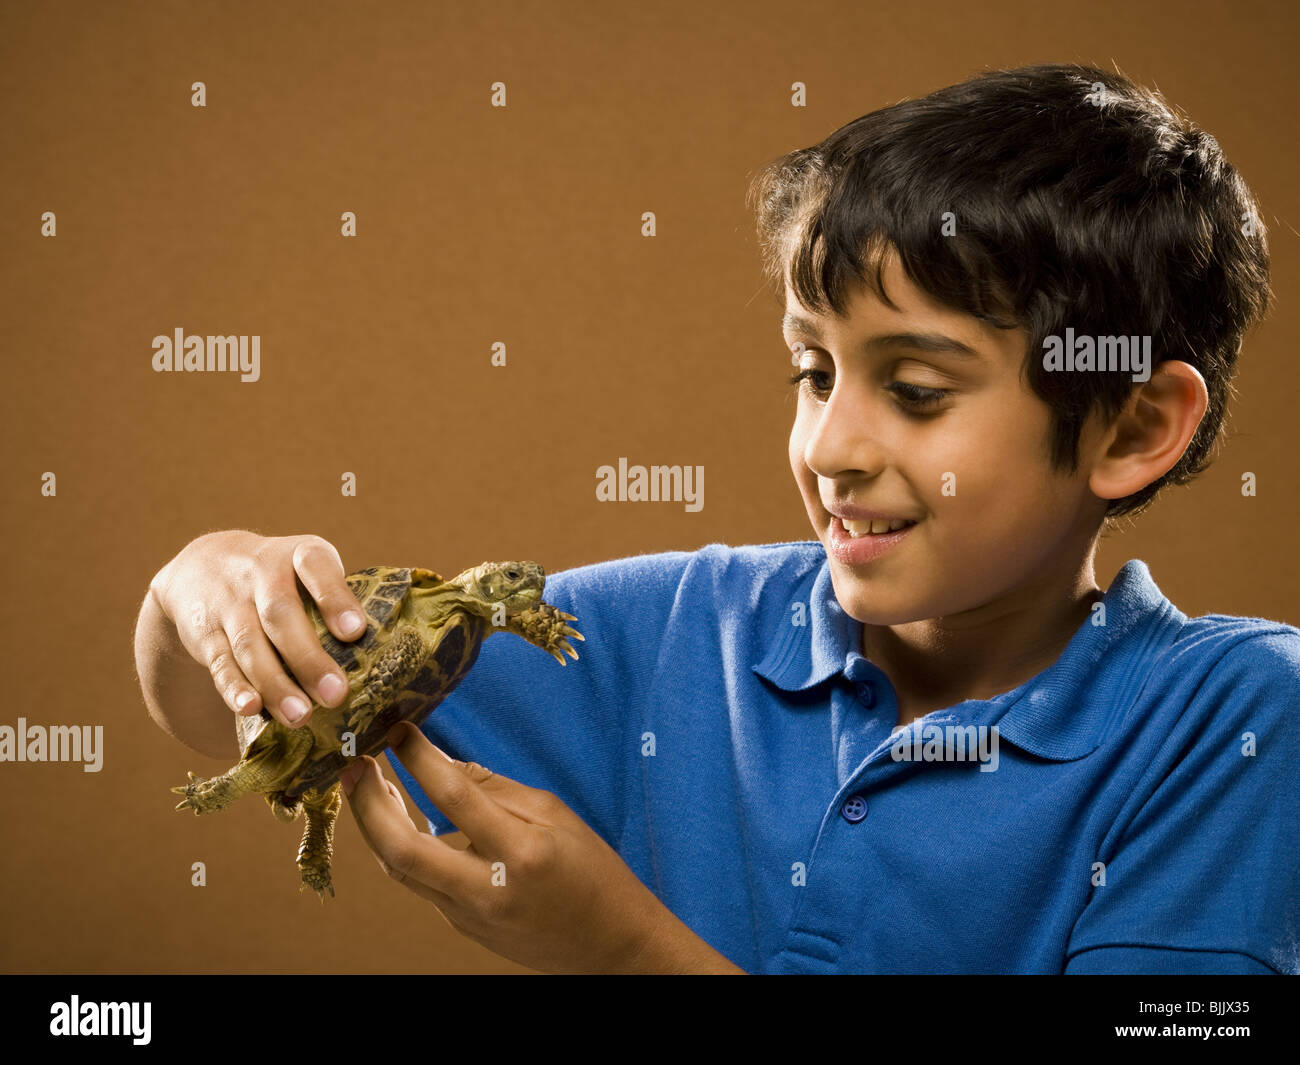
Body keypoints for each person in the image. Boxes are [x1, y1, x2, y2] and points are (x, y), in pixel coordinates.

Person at [135, 62, 1299, 974]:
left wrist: (622, 954)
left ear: (1134, 427)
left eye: (916, 391)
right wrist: (207, 588)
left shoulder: (1233, 721)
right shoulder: (685, 631)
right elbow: (216, 711)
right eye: (812, 372)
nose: (830, 448)